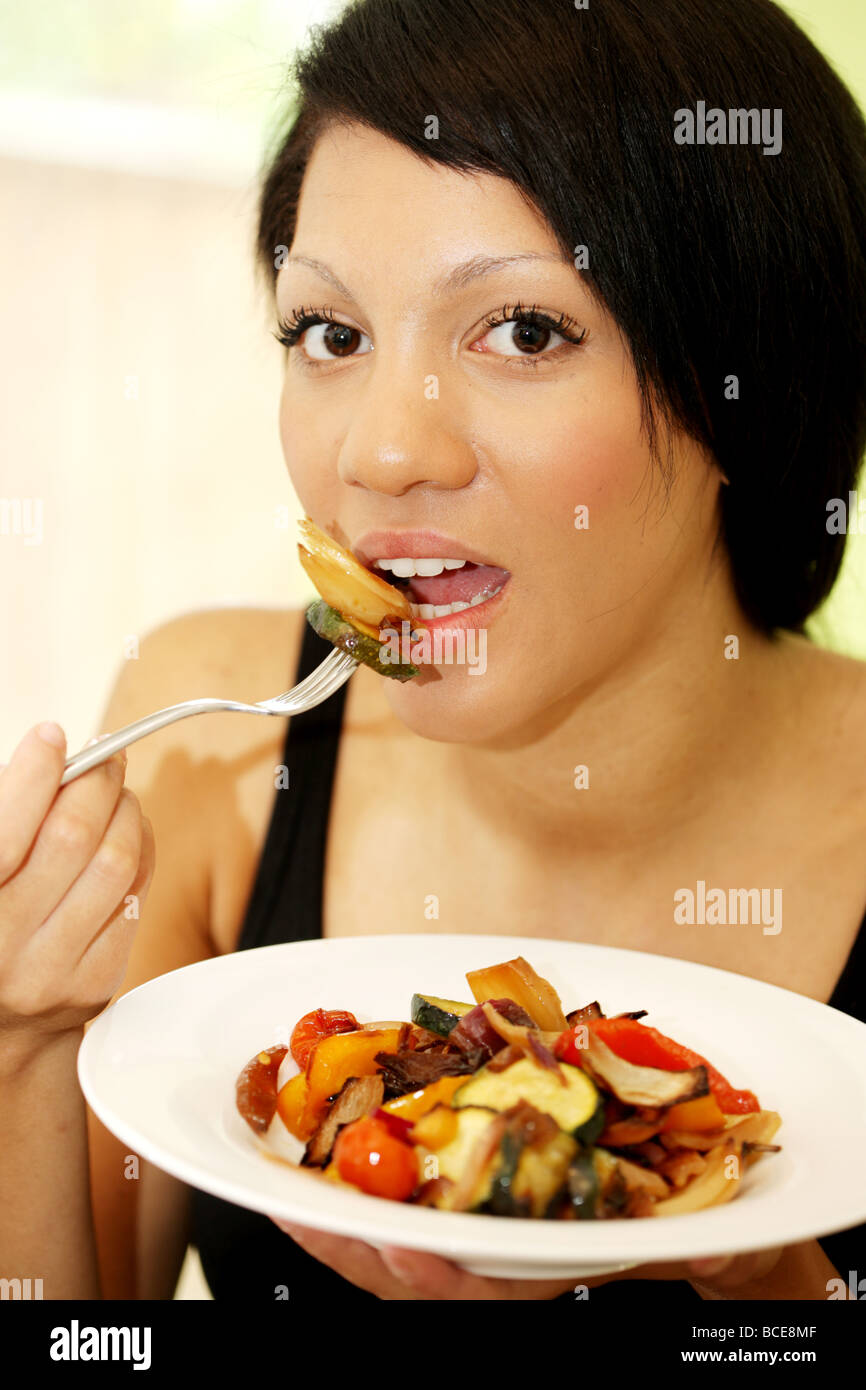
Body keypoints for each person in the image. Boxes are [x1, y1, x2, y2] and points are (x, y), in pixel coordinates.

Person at [2, 0, 865, 1303]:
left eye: (523, 330)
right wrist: (21, 1042)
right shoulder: (212, 747)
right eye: (329, 334)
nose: (381, 450)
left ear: (747, 373)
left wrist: (768, 1281)